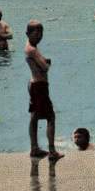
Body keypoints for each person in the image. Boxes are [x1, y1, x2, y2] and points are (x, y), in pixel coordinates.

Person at [25, 20, 63, 160]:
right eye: (36, 33)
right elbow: (45, 67)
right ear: (28, 33)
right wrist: (46, 62)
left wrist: (43, 61)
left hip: (35, 83)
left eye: (41, 33)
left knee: (34, 116)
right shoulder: (32, 50)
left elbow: (40, 63)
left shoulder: (32, 48)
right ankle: (52, 151)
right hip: (39, 85)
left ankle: (34, 148)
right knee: (50, 117)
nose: (40, 36)